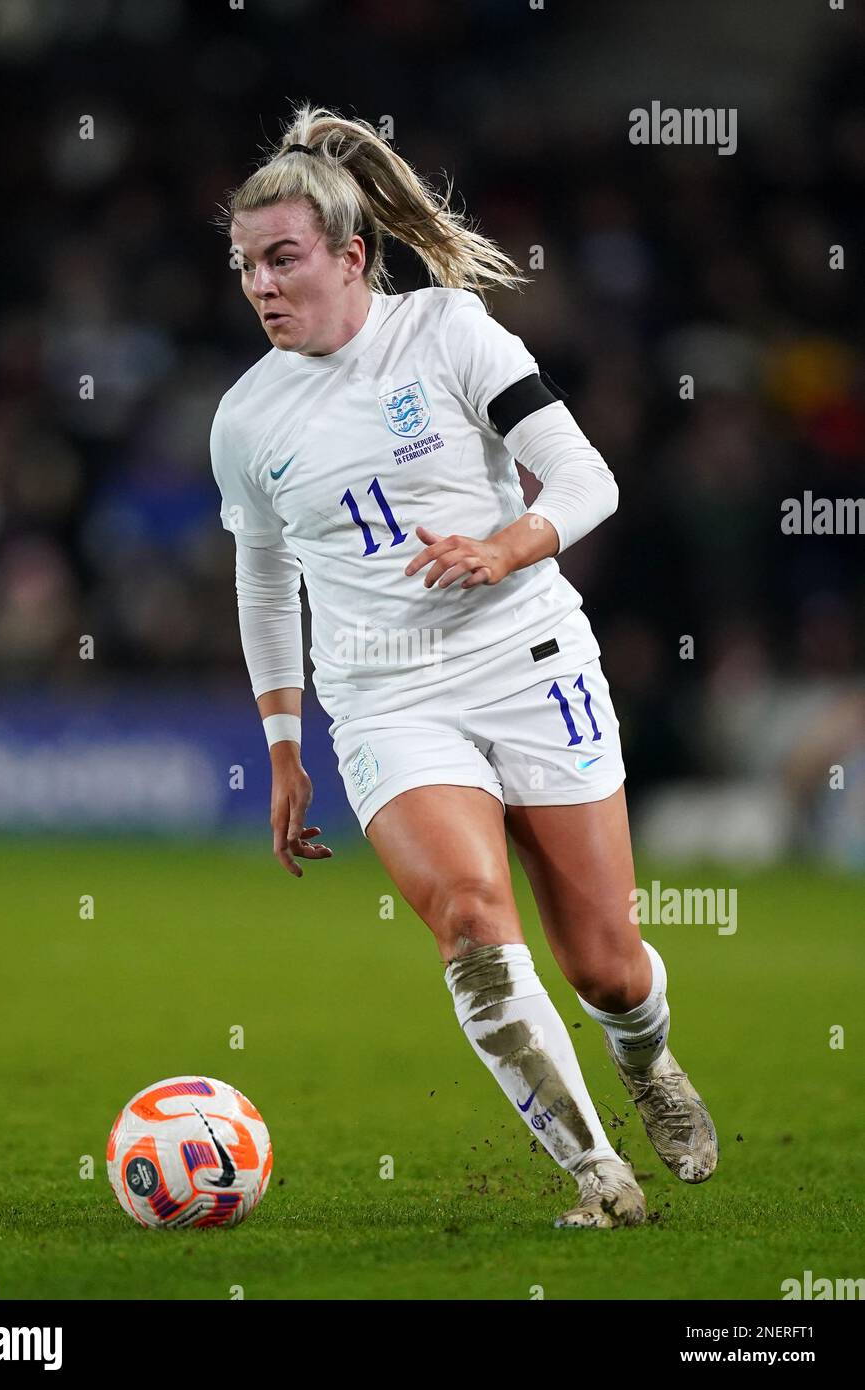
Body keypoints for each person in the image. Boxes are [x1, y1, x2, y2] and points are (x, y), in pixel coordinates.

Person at [210, 105, 717, 1228]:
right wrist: (284, 744)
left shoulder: (448, 331)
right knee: (476, 921)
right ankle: (597, 1171)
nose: (261, 284)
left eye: (282, 257)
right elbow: (261, 581)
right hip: (386, 699)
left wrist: (506, 542)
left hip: (525, 654)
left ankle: (648, 1057)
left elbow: (586, 479)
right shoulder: (246, 419)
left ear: (351, 255)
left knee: (606, 966)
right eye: (246, 265)